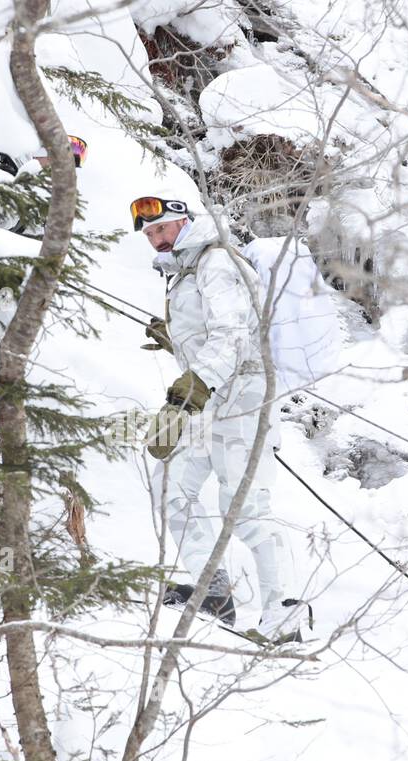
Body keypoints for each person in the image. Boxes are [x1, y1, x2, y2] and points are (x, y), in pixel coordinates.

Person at [132, 196, 311, 643]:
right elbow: (214, 335)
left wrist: (193, 383)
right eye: (150, 234)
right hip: (211, 398)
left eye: (162, 229)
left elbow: (232, 337)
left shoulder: (216, 262)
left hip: (242, 396)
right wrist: (175, 340)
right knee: (170, 485)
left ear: (184, 223)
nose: (156, 239)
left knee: (246, 508)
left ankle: (283, 612)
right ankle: (212, 591)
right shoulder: (187, 273)